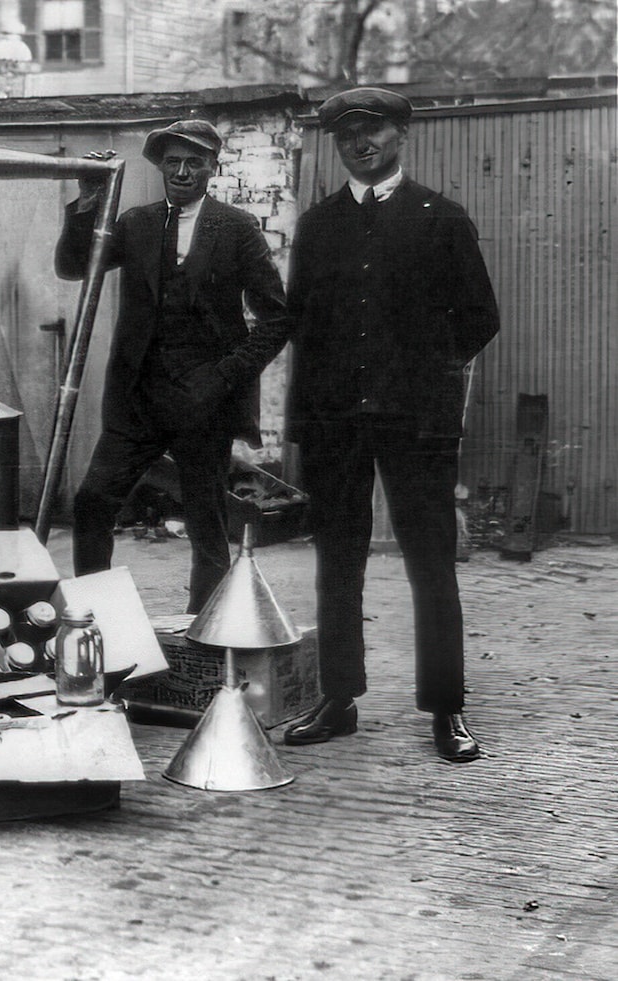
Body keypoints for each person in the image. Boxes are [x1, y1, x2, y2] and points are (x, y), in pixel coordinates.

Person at [281, 87, 499, 763]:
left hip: (416, 424)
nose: (359, 143)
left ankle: (447, 709)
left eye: (372, 129)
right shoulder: (317, 227)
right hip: (337, 424)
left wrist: (425, 378)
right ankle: (338, 697)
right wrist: (305, 423)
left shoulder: (441, 218)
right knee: (336, 563)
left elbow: (479, 317)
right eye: (346, 135)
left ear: (401, 134)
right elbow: (302, 327)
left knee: (431, 565)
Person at [55, 119, 292, 613]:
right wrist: (87, 201)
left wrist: (224, 376)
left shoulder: (236, 228)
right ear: (161, 166)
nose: (182, 172)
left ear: (212, 167)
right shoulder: (137, 223)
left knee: (208, 522)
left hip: (203, 403)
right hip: (136, 400)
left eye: (194, 162)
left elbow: (277, 319)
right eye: (173, 162)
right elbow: (76, 266)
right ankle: (99, 621)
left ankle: (203, 633)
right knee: (92, 501)